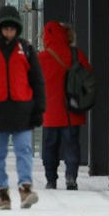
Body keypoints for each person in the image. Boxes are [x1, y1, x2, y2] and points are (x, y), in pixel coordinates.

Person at [0, 5, 46, 210]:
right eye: (6, 28)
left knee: (25, 150)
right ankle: (2, 191)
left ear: (18, 29)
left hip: (22, 110)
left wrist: (39, 109)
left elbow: (37, 82)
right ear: (0, 28)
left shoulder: (27, 50)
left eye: (13, 29)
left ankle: (25, 187)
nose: (9, 32)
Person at [38, 21, 93, 190]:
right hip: (72, 110)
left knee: (50, 147)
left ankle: (51, 179)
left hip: (50, 113)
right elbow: (89, 76)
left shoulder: (41, 58)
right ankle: (71, 177)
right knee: (72, 145)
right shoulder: (77, 55)